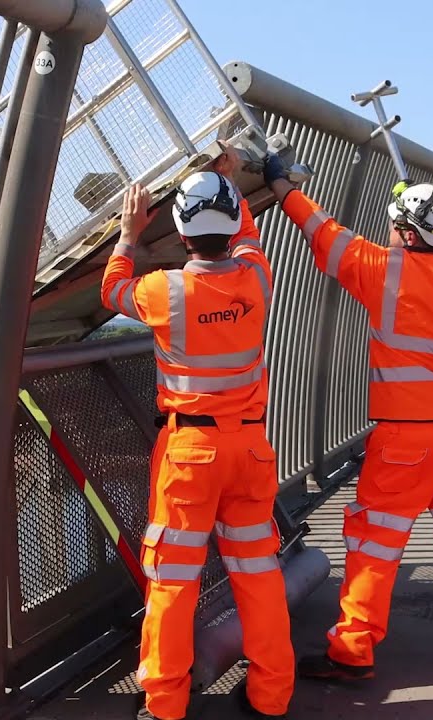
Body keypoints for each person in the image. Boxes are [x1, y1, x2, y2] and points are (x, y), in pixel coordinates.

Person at [261, 153, 433, 702]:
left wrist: (280, 184)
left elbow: (322, 231)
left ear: (407, 232)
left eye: (393, 225)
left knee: (375, 546)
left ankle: (353, 653)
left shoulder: (379, 268)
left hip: (403, 444)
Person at [102, 155, 294, 720]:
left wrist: (128, 233)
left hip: (190, 455)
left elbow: (112, 289)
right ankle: (272, 695)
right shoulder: (256, 278)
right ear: (232, 223)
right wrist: (229, 179)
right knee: (258, 574)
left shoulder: (162, 291)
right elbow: (249, 237)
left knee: (174, 580)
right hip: (251, 450)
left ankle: (166, 703)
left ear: (181, 231)